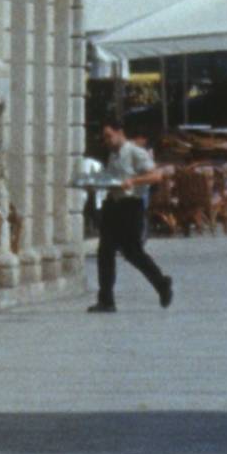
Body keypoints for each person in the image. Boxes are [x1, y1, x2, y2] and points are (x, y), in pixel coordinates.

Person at [88, 117, 172, 312]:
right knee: (105, 251)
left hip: (130, 206)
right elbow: (114, 178)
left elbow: (156, 175)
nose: (107, 141)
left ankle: (161, 284)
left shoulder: (136, 152)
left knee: (133, 252)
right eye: (104, 138)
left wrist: (134, 181)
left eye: (109, 136)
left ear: (120, 132)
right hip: (114, 204)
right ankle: (106, 299)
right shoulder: (113, 155)